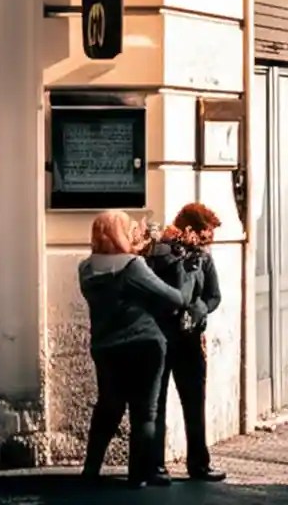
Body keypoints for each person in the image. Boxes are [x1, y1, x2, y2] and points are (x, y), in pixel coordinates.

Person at [79, 210, 186, 488]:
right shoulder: (133, 266)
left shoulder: (86, 269)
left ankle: (91, 469)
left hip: (105, 345)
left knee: (108, 408)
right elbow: (173, 297)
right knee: (144, 411)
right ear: (121, 233)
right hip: (143, 344)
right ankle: (139, 474)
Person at [143, 202, 227, 483]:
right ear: (191, 230)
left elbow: (214, 295)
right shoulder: (159, 252)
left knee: (194, 402)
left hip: (191, 338)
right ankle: (155, 464)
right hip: (162, 335)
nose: (209, 241)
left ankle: (199, 464)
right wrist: (178, 261)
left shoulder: (204, 258)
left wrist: (201, 308)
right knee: (157, 402)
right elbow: (161, 290)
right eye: (206, 234)